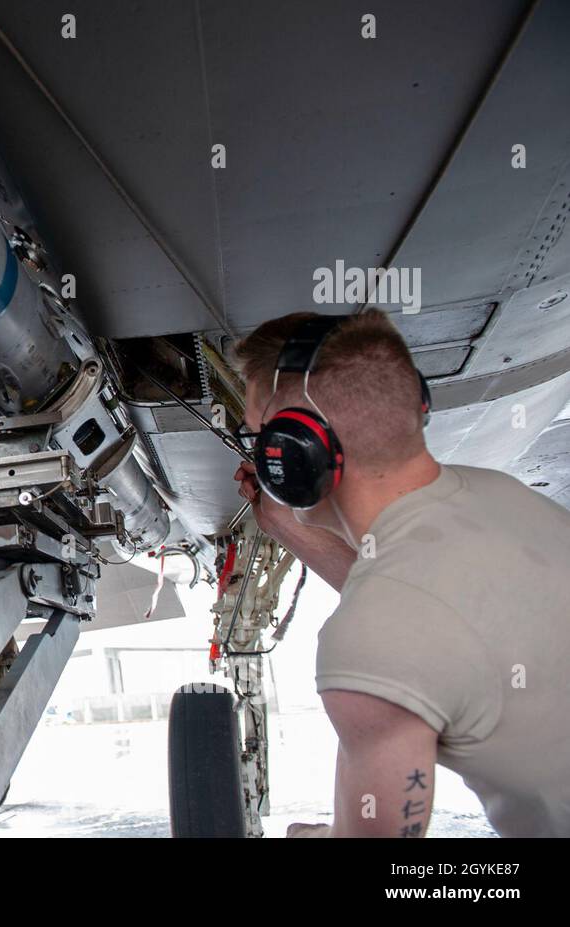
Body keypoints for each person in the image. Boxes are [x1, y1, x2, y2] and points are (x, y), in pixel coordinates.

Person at [231, 309, 570, 837]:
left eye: (260, 436)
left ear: (300, 452)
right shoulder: (502, 497)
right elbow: (431, 613)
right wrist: (285, 524)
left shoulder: (372, 640)